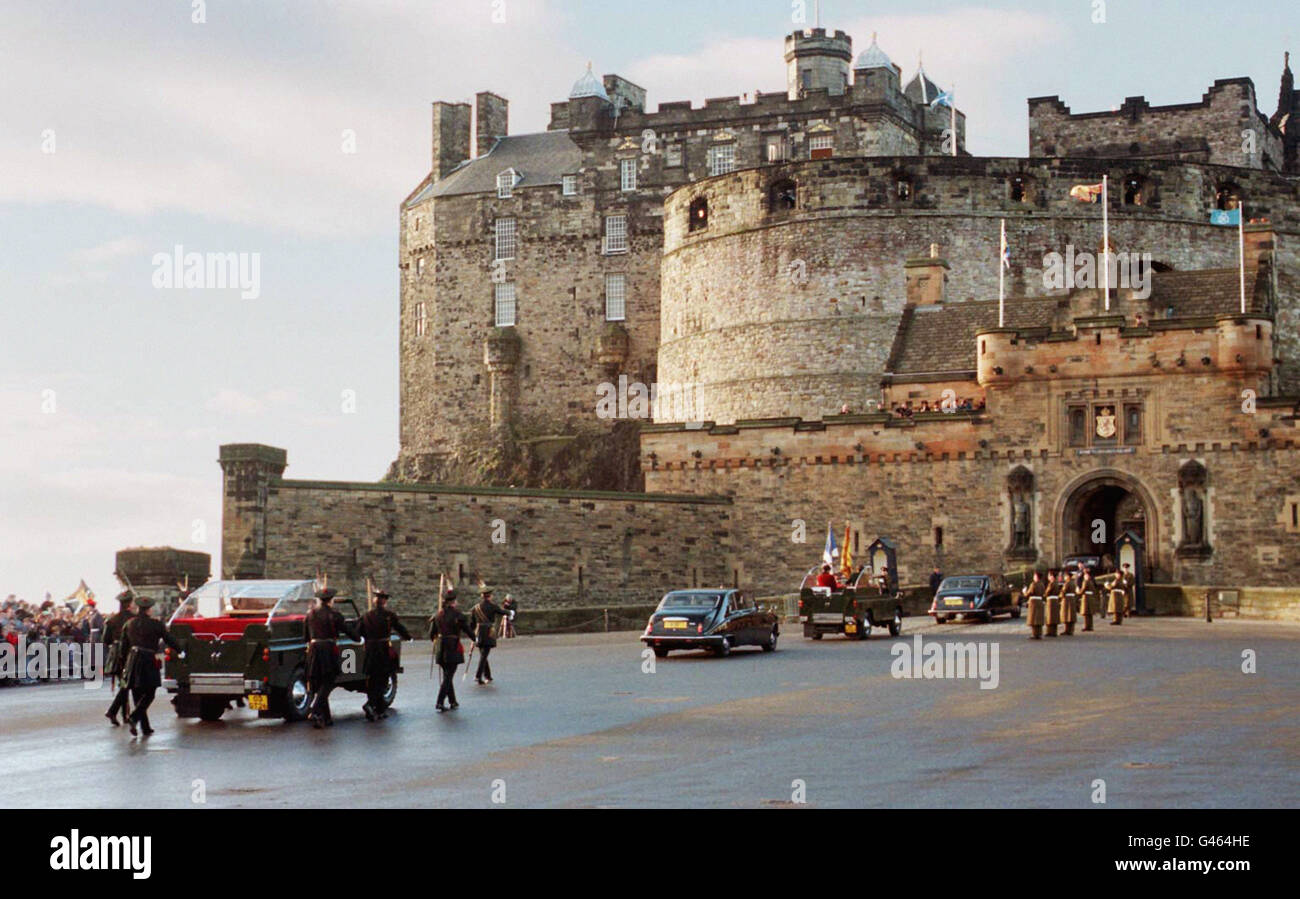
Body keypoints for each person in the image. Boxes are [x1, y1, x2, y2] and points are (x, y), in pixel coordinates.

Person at [117, 597, 181, 737]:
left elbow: (123, 647)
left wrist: (123, 664)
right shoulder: (155, 624)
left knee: (137, 693)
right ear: (149, 609)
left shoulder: (129, 624)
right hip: (148, 659)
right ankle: (134, 718)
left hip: (132, 660)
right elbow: (168, 638)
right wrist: (180, 649)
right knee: (150, 693)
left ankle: (145, 727)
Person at [302, 581, 359, 728]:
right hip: (327, 648)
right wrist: (358, 638)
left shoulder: (310, 614)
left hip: (313, 649)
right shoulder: (334, 614)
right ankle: (315, 711)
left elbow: (305, 636)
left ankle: (326, 717)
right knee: (329, 681)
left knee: (320, 683)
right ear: (331, 600)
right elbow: (347, 629)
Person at [356, 588, 410, 721]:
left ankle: (379, 709)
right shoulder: (389, 615)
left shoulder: (366, 616)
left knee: (372, 680)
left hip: (370, 650)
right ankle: (370, 705)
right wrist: (408, 637)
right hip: (383, 650)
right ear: (384, 601)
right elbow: (399, 627)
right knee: (382, 680)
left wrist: (366, 637)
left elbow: (358, 632)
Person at [431, 588, 475, 712]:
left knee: (447, 674)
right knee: (449, 676)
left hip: (440, 647)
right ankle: (439, 702)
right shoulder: (458, 615)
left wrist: (437, 639)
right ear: (453, 601)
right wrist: (475, 638)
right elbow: (467, 629)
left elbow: (431, 633)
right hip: (452, 646)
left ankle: (453, 701)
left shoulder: (437, 615)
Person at [104, 592, 135, 726]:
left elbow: (105, 640)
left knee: (124, 685)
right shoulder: (133, 620)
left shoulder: (111, 620)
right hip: (128, 654)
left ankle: (124, 715)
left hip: (115, 655)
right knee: (125, 686)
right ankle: (113, 711)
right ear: (130, 603)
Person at [470, 587, 505, 685]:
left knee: (483, 654)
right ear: (490, 596)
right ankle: (478, 675)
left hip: (479, 632)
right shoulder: (493, 606)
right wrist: (511, 612)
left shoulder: (475, 608)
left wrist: (472, 635)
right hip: (489, 631)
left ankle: (488, 676)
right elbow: (502, 612)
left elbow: (472, 623)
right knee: (484, 655)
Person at [1025, 571, 1045, 640]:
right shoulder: (1042, 584)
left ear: (1036, 576)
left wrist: (1024, 592)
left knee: (1033, 618)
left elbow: (1029, 593)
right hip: (1040, 601)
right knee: (1038, 619)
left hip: (1033, 602)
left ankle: (1034, 634)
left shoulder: (1033, 584)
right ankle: (1039, 633)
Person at [1060, 568, 1078, 636]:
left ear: (1068, 576)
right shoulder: (1073, 583)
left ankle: (1067, 630)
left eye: (1065, 576)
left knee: (1067, 614)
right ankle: (1071, 630)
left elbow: (1063, 592)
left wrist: (1060, 596)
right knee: (1071, 614)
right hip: (1072, 599)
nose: (1064, 577)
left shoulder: (1067, 583)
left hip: (1067, 600)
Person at [1043, 569, 1061, 637]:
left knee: (1050, 616)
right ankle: (1054, 631)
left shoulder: (1051, 583)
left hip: (1051, 601)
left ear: (1052, 576)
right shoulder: (1056, 583)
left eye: (1049, 575)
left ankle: (1050, 631)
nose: (1048, 577)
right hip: (1055, 600)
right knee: (1054, 616)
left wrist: (1044, 595)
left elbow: (1047, 592)